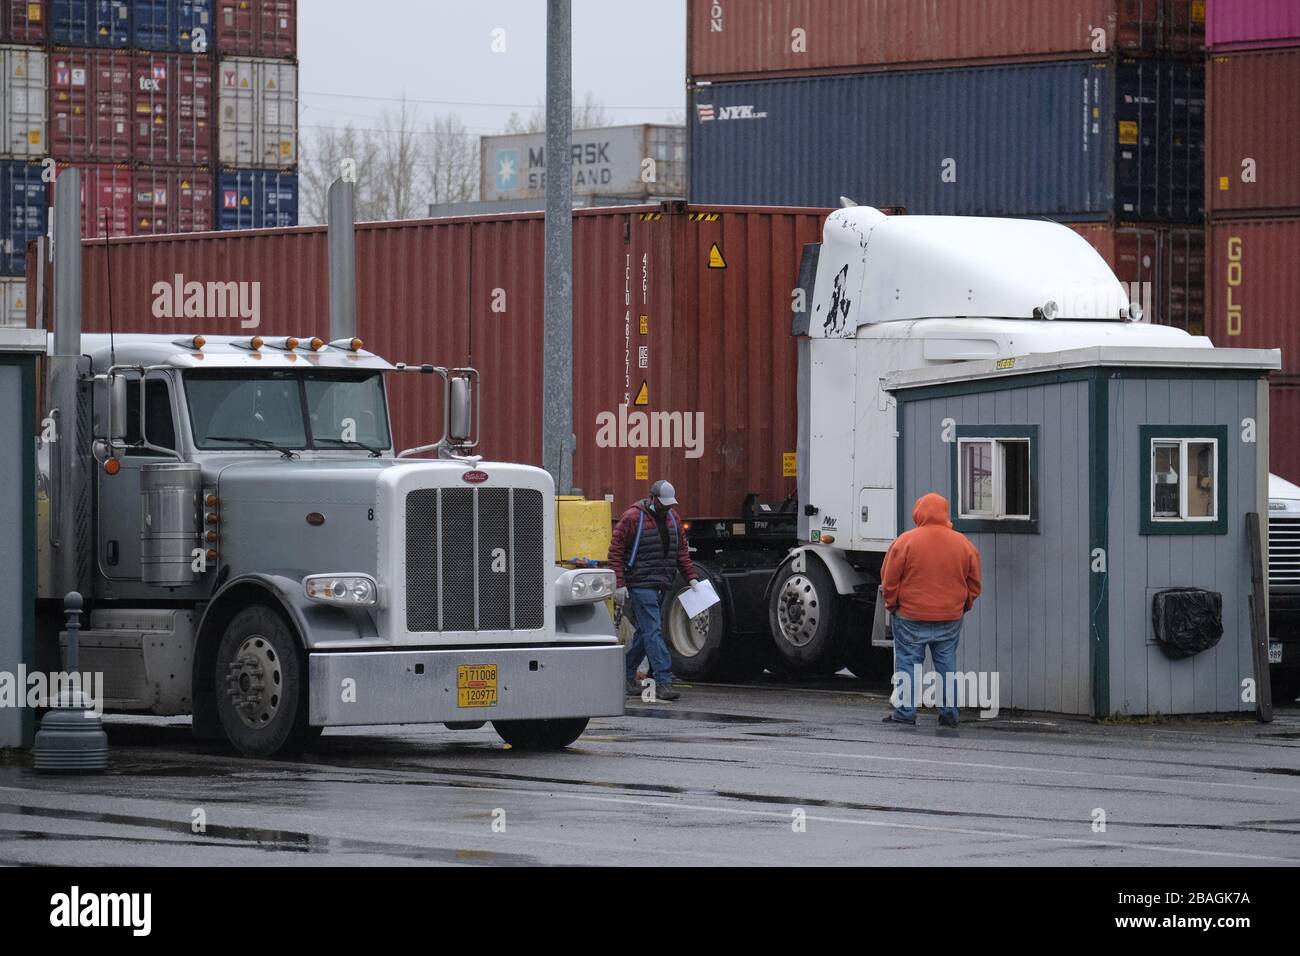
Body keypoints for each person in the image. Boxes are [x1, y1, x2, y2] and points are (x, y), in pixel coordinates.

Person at [880, 492, 982, 727]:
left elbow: (889, 580)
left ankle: (905, 713)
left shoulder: (905, 541)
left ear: (919, 513)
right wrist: (963, 605)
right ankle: (949, 714)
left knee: (908, 663)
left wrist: (893, 605)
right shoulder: (963, 544)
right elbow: (974, 582)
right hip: (949, 617)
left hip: (910, 616)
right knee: (946, 665)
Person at [608, 479, 700, 701]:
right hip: (640, 585)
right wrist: (620, 585)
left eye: (670, 504)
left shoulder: (672, 518)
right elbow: (615, 552)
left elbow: (680, 552)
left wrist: (692, 578)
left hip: (662, 584)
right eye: (664, 503)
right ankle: (663, 681)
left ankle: (626, 675)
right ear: (652, 498)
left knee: (646, 633)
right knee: (653, 631)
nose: (667, 507)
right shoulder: (632, 517)